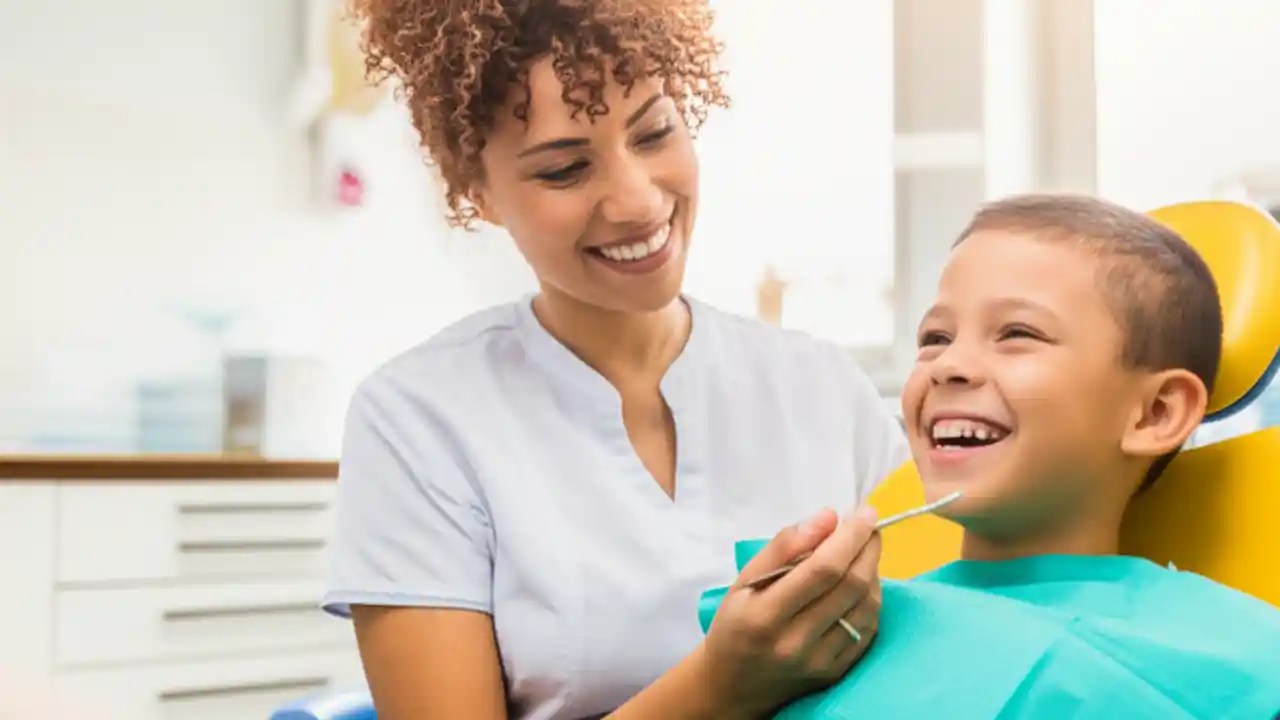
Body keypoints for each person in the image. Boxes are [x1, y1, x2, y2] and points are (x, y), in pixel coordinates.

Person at [322, 1, 909, 718]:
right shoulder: (418, 421)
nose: (635, 201)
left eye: (655, 131)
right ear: (478, 194)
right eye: (565, 170)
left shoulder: (821, 388)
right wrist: (722, 684)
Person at [702, 194, 1280, 718]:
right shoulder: (811, 634)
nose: (948, 365)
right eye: (935, 338)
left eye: (1017, 334)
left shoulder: (1235, 660)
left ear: (1155, 413)